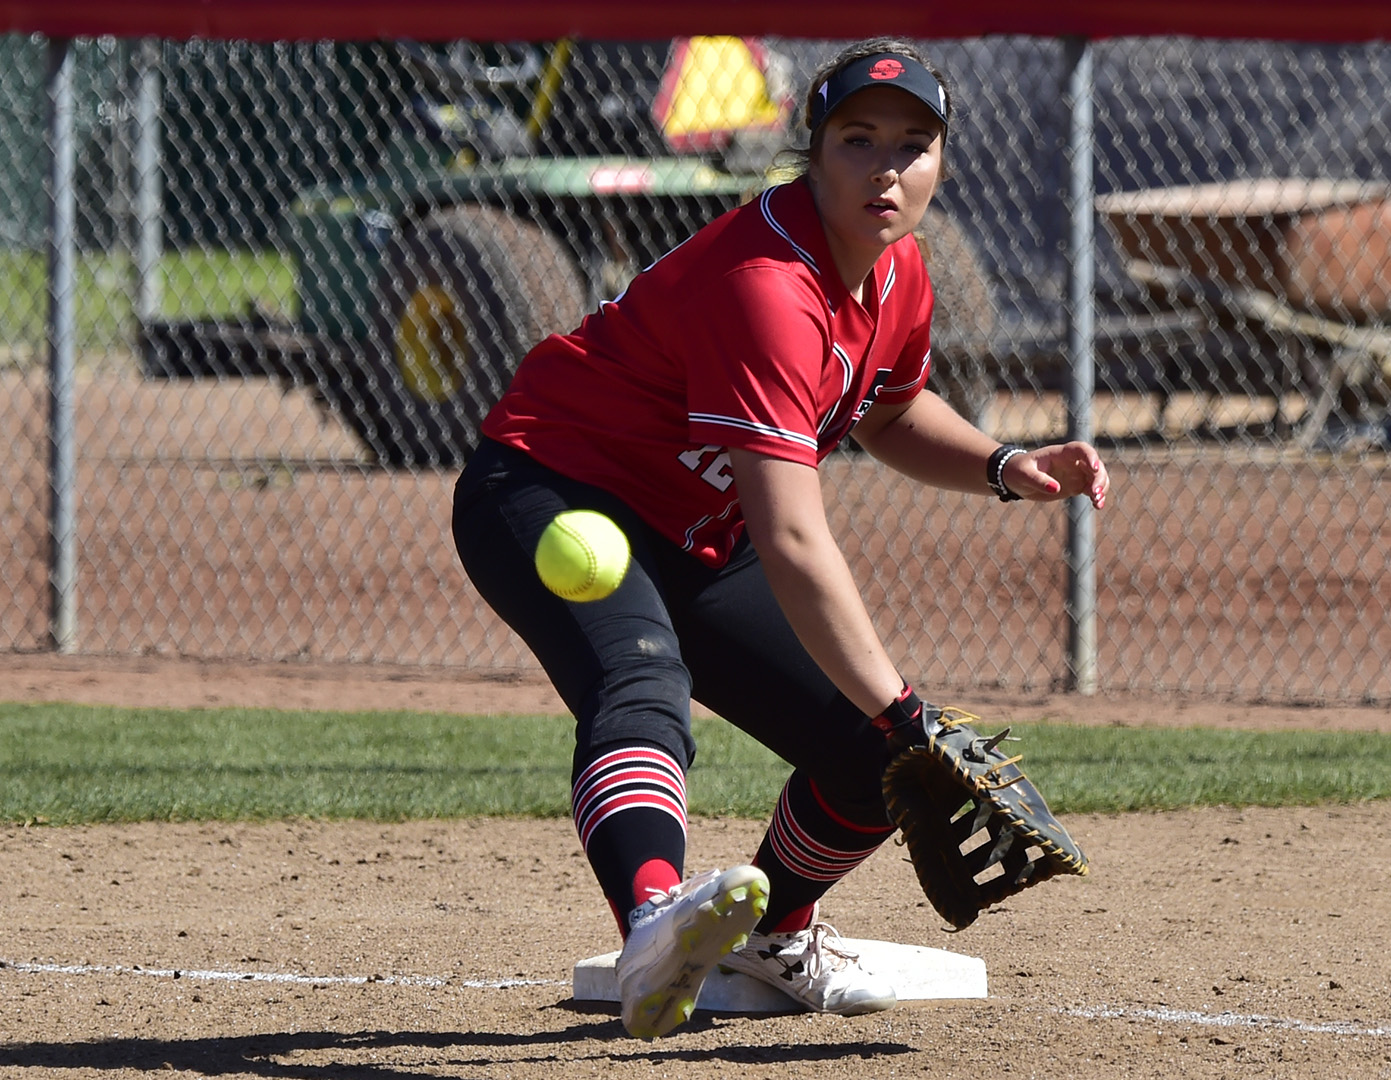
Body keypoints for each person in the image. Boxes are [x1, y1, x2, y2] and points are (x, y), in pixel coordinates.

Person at [451, 38, 1108, 1040]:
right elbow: (795, 540)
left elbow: (888, 412)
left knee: (867, 752)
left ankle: (774, 931)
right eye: (858, 140)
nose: (886, 168)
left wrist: (997, 463)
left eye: (912, 143)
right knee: (642, 676)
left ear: (942, 160)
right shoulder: (769, 285)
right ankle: (652, 925)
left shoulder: (901, 275)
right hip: (555, 490)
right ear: (812, 151)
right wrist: (908, 708)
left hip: (697, 531)